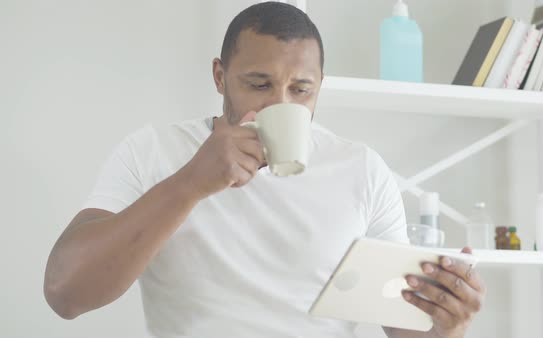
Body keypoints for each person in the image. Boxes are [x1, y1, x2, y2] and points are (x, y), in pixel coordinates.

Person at [44, 2, 485, 338]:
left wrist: (446, 321)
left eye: (301, 90)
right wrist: (191, 183)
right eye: (259, 84)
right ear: (220, 77)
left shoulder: (362, 169)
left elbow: (403, 323)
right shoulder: (154, 152)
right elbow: (66, 292)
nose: (281, 105)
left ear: (320, 88)